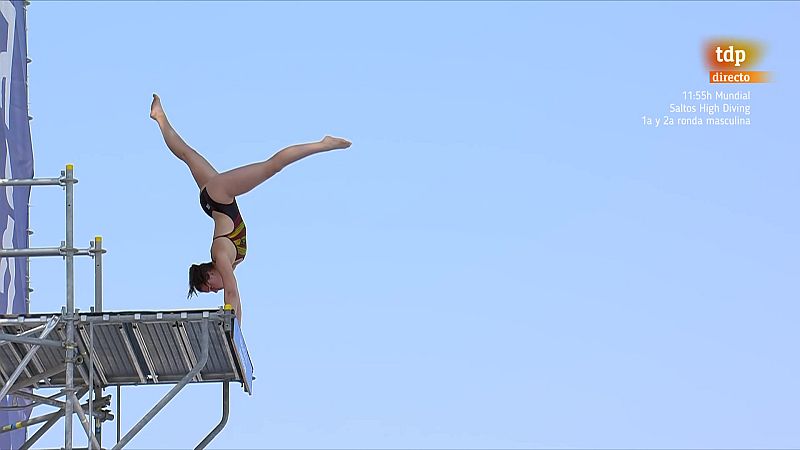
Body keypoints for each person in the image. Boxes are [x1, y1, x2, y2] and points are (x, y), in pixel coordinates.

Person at [149, 94, 351, 322]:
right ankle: (159, 117)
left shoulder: (220, 255)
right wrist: (237, 330)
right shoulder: (228, 264)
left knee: (271, 166)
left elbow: (231, 293)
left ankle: (323, 144)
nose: (214, 291)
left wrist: (234, 334)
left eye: (210, 288)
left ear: (209, 274)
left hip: (219, 196)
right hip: (213, 202)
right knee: (187, 154)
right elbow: (235, 298)